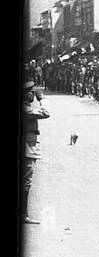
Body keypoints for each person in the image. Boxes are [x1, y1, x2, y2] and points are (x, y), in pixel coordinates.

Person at [22, 81, 48, 224]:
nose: (33, 95)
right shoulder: (26, 109)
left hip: (29, 145)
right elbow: (46, 113)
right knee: (26, 182)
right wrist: (42, 99)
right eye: (32, 92)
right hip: (28, 147)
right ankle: (23, 215)